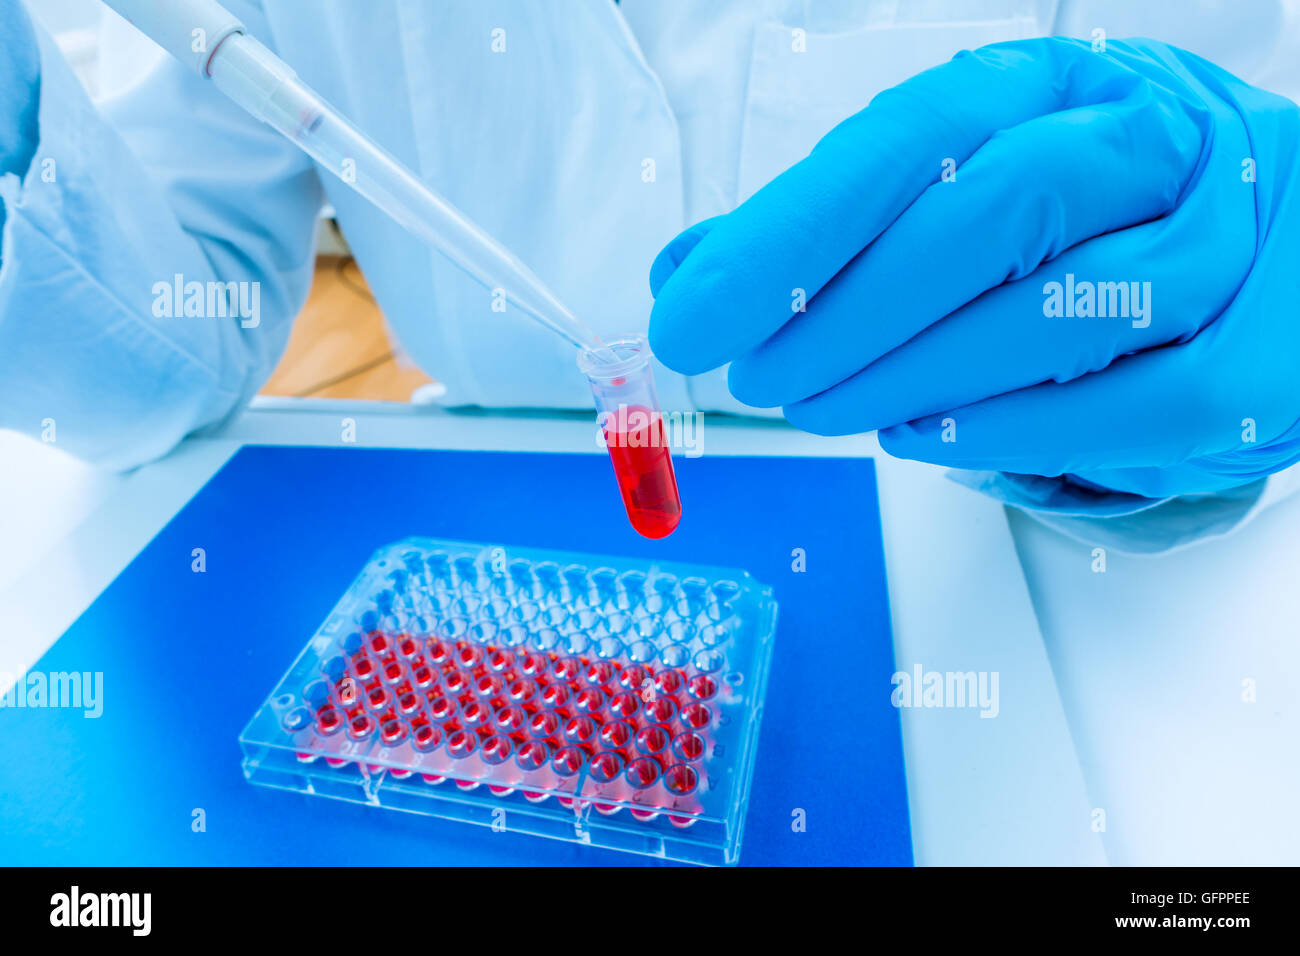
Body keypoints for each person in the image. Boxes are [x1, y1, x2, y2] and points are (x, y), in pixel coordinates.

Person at [2, 0, 1298, 551]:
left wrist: (1240, 264)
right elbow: (182, 337)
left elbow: (1226, 158)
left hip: (1003, 552)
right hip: (474, 524)